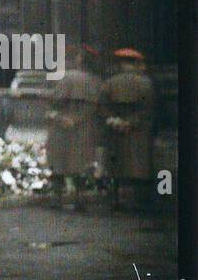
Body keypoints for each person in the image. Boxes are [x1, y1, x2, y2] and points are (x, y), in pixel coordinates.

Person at [45, 45, 103, 209]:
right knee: (81, 165)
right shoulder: (96, 81)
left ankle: (56, 199)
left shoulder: (68, 78)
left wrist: (60, 116)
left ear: (80, 59)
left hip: (63, 126)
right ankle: (79, 199)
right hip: (85, 128)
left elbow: (56, 99)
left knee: (58, 163)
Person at [102, 47, 155, 210]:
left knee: (117, 165)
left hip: (116, 129)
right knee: (138, 164)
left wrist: (114, 120)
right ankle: (139, 201)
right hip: (138, 129)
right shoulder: (146, 82)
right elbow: (148, 107)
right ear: (135, 64)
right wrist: (131, 123)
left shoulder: (110, 83)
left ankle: (115, 200)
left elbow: (103, 106)